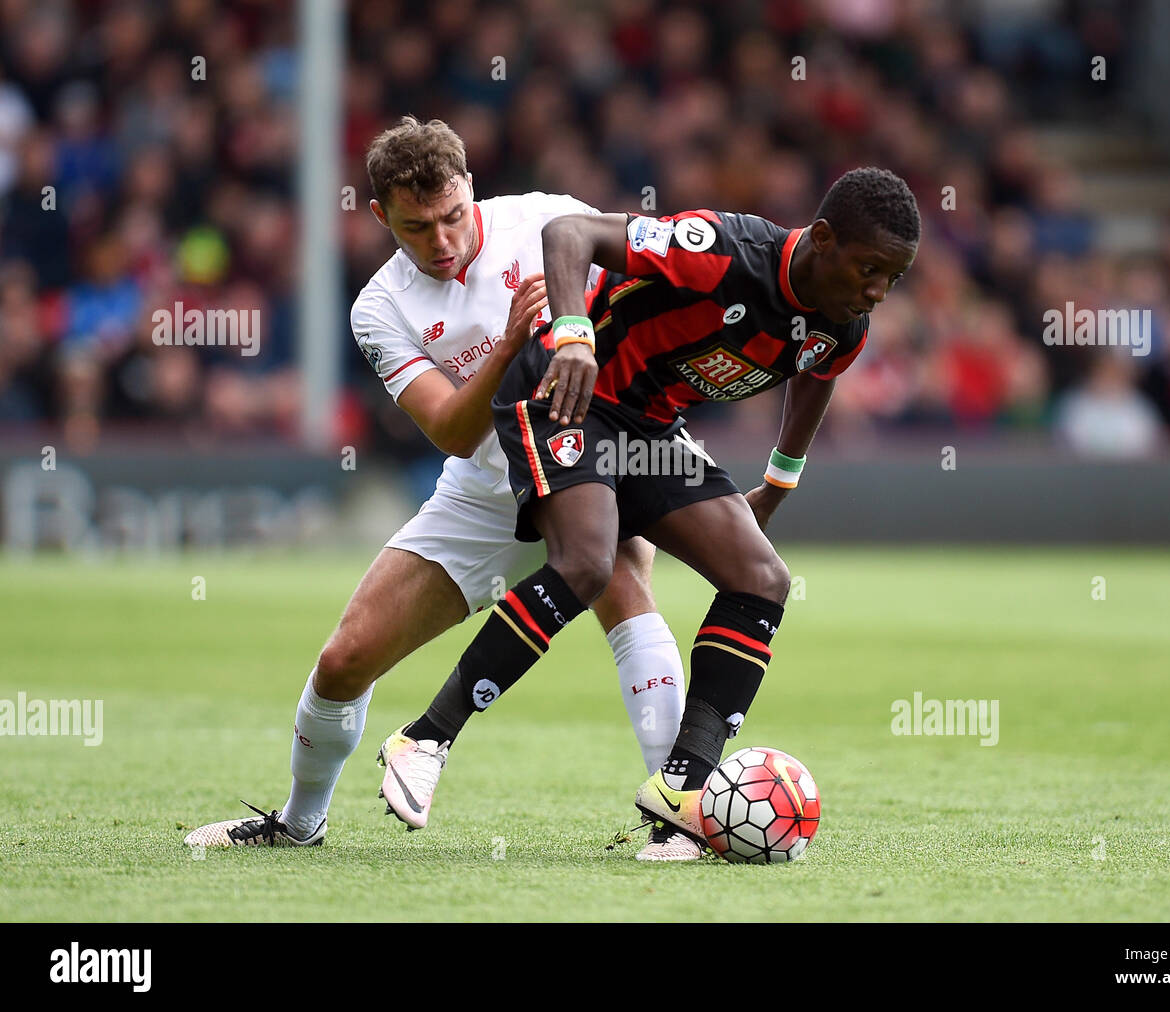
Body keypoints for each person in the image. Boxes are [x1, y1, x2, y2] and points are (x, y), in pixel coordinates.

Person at [183, 117, 685, 849]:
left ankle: (679, 819)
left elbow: (658, 289)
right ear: (382, 216)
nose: (444, 242)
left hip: (591, 454)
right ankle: (299, 823)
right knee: (345, 658)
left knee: (626, 584)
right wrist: (515, 342)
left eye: (453, 217)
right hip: (484, 485)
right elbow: (452, 428)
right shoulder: (379, 309)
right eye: (419, 228)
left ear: (471, 189)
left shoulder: (548, 221)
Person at [394, 167, 920, 861]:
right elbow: (570, 232)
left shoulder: (843, 323)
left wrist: (779, 480)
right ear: (822, 239)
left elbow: (816, 373)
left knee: (762, 578)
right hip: (564, 392)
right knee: (585, 562)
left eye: (892, 277)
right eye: (869, 268)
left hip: (647, 428)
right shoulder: (722, 248)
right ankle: (426, 736)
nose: (877, 290)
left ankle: (683, 797)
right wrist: (575, 334)